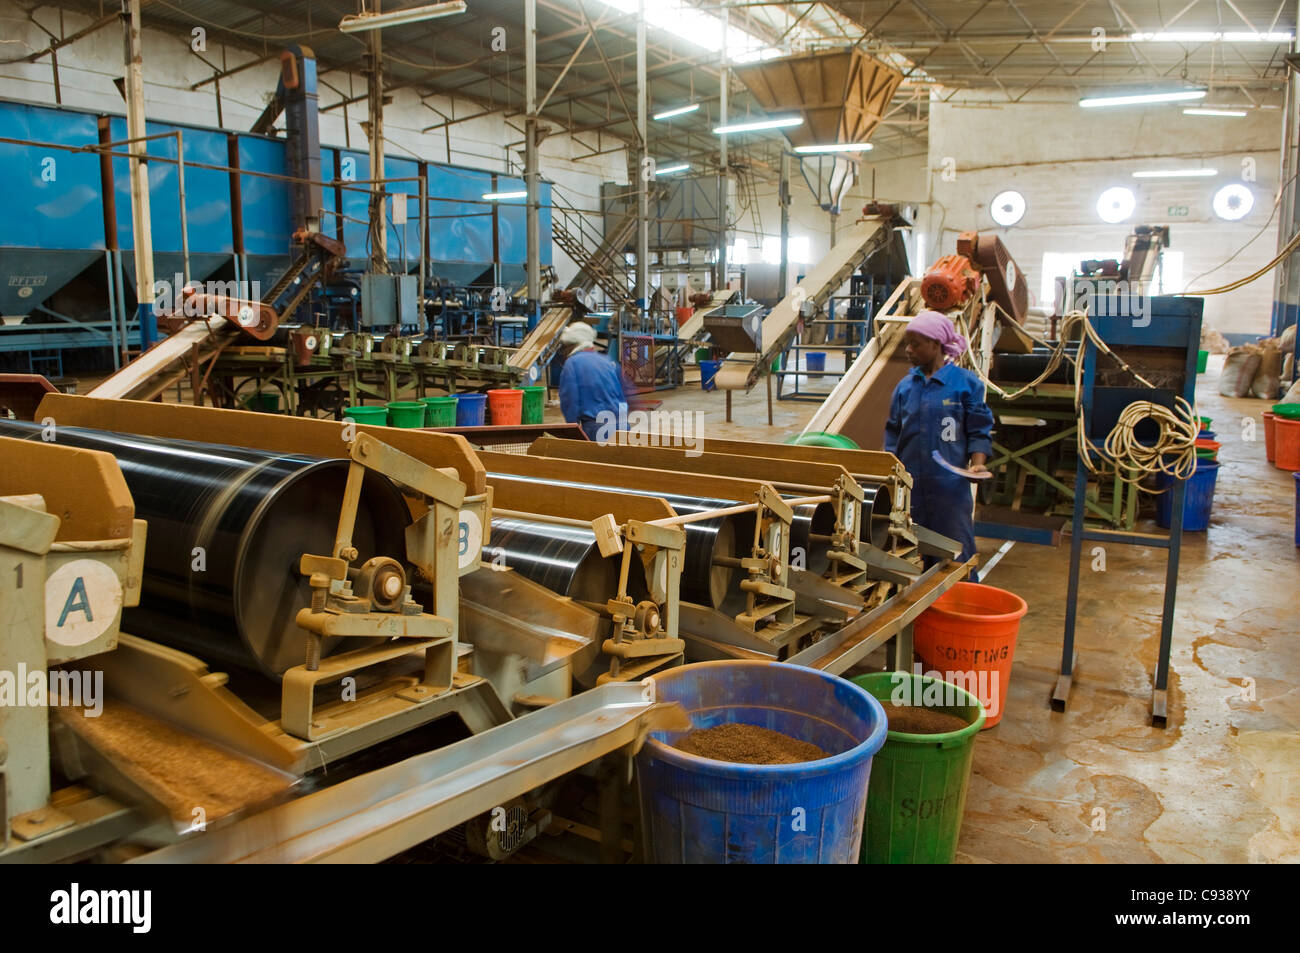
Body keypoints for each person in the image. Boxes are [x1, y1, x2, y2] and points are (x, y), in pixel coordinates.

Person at [884, 310, 994, 573]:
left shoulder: (965, 385)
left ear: (936, 345)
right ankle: (919, 612)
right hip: (910, 489)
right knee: (908, 552)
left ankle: (960, 607)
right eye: (907, 343)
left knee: (955, 554)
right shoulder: (905, 387)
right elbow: (893, 433)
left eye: (915, 343)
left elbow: (979, 429)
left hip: (950, 489)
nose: (908, 350)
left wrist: (978, 464)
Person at [558, 321, 628, 442]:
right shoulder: (608, 361)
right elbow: (624, 395)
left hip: (596, 430)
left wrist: (573, 431)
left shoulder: (572, 364)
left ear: (573, 344)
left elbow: (570, 401)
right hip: (622, 426)